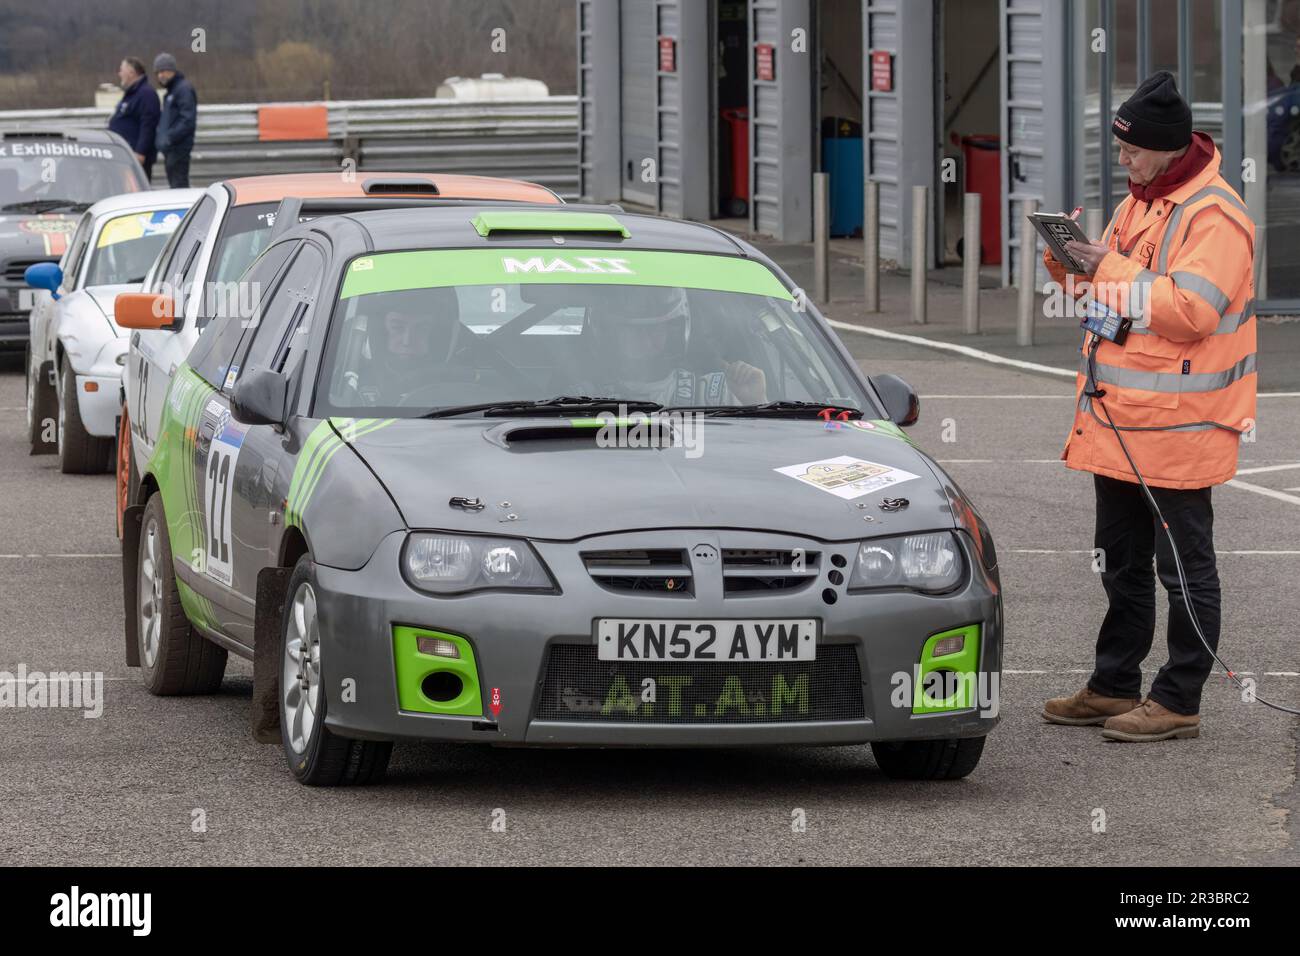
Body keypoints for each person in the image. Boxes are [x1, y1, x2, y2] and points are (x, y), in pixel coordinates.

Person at [1040, 72, 1256, 742]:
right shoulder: (1144, 202)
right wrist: (1069, 262)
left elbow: (1190, 311)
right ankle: (1114, 684)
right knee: (1121, 560)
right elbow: (1115, 293)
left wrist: (1107, 268)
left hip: (1179, 430)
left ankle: (1179, 698)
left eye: (1131, 149)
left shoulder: (1214, 215)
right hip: (1120, 421)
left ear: (1165, 148)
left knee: (1183, 569)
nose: (1122, 159)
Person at [585, 286, 767, 406]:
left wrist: (755, 401)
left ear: (673, 332)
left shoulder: (715, 393)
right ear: (611, 334)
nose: (644, 339)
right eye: (632, 329)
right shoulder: (583, 397)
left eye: (654, 329)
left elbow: (761, 450)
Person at [107, 57, 159, 181]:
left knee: (134, 194)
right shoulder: (132, 93)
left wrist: (140, 152)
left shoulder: (146, 93)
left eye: (121, 70)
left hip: (134, 158)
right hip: (124, 156)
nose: (119, 74)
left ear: (131, 72)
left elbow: (148, 125)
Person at [153, 53, 197, 188]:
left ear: (172, 70)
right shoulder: (171, 92)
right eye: (158, 72)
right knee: (175, 185)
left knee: (179, 186)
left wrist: (169, 138)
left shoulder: (183, 89)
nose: (160, 75)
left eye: (163, 71)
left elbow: (188, 119)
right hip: (171, 150)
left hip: (178, 148)